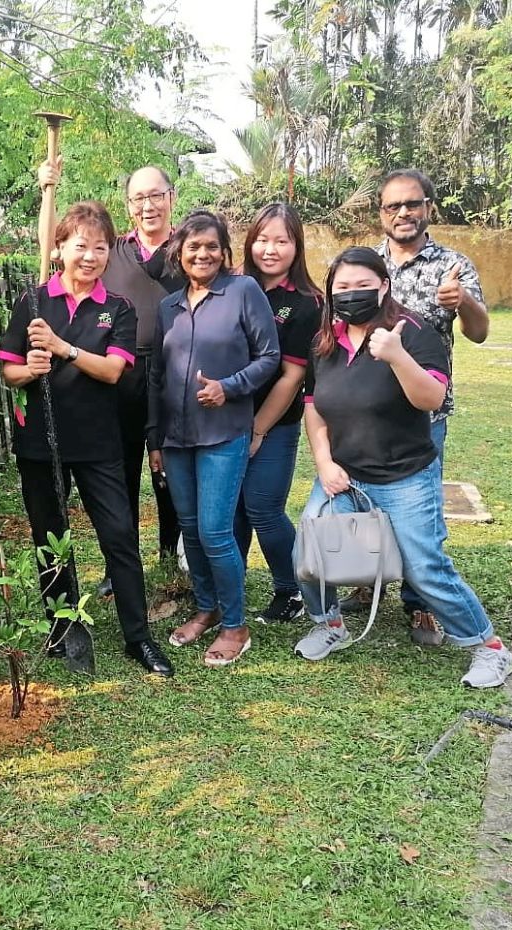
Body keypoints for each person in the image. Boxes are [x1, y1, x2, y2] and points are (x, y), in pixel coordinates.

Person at [293, 246, 512, 689]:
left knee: (424, 567)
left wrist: (396, 355)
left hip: (405, 477)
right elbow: (315, 407)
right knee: (308, 550)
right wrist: (323, 462)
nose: (352, 294)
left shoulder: (411, 332)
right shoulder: (326, 340)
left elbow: (431, 400)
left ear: (384, 286)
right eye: (342, 287)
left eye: (363, 286)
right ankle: (330, 624)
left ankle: (490, 648)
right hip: (346, 474)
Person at [0, 200, 173, 677]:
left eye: (100, 248)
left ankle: (138, 636)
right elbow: (8, 367)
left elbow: (114, 370)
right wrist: (25, 371)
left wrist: (61, 348)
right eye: (81, 246)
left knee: (119, 536)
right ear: (60, 249)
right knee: (51, 539)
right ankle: (62, 627)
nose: (90, 257)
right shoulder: (33, 304)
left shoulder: (117, 308)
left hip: (99, 442)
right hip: (41, 443)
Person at [342, 169, 490, 643]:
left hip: (424, 410)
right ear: (380, 213)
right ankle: (368, 584)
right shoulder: (367, 264)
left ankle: (419, 602)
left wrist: (462, 300)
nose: (403, 213)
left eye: (412, 204)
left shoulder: (452, 264)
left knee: (419, 512)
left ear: (428, 206)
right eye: (392, 206)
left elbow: (480, 332)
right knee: (364, 503)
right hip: (365, 408)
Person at [37, 160, 183, 592]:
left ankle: (169, 554)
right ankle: (121, 562)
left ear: (172, 198)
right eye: (139, 198)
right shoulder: (112, 249)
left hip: (170, 373)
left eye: (156, 195)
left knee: (167, 469)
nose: (148, 205)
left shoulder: (186, 249)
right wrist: (48, 191)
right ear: (128, 205)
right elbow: (53, 248)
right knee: (119, 472)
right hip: (117, 373)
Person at [148, 210, 280, 668]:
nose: (201, 254)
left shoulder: (243, 292)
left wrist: (230, 386)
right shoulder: (169, 307)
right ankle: (206, 608)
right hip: (177, 438)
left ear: (224, 252)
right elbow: (158, 376)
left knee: (215, 531)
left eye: (210, 246)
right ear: (179, 254)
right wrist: (155, 441)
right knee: (190, 528)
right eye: (192, 247)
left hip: (223, 433)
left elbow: (270, 356)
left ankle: (235, 625)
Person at [234, 204, 322, 624]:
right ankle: (227, 588)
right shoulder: (232, 287)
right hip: (225, 418)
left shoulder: (306, 303)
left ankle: (293, 590)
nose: (270, 249)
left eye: (281, 241)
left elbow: (292, 377)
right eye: (262, 239)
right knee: (231, 508)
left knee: (263, 507)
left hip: (274, 423)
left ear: (296, 247)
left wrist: (259, 429)